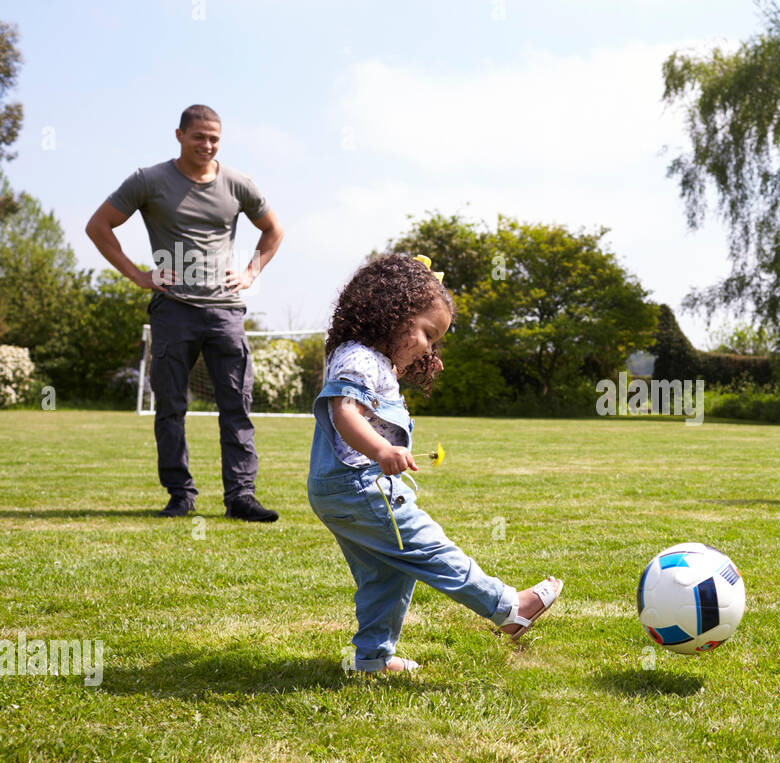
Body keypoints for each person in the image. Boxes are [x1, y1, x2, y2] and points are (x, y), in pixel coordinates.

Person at [308, 254, 561, 674]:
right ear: (390, 314)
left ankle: (372, 658)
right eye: (427, 333)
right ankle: (509, 609)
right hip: (362, 487)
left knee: (386, 575)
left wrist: (411, 365)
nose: (429, 345)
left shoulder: (367, 358)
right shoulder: (357, 359)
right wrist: (381, 451)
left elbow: (375, 397)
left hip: (337, 491)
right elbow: (345, 413)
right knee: (431, 549)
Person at [86, 104, 285, 521]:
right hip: (173, 311)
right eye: (199, 137)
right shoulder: (148, 180)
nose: (207, 145)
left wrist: (251, 270)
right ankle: (180, 495)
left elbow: (273, 230)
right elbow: (99, 226)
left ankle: (241, 497)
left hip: (225, 311)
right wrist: (138, 275)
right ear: (179, 135)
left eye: (214, 138)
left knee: (237, 406)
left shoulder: (237, 183)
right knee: (170, 406)